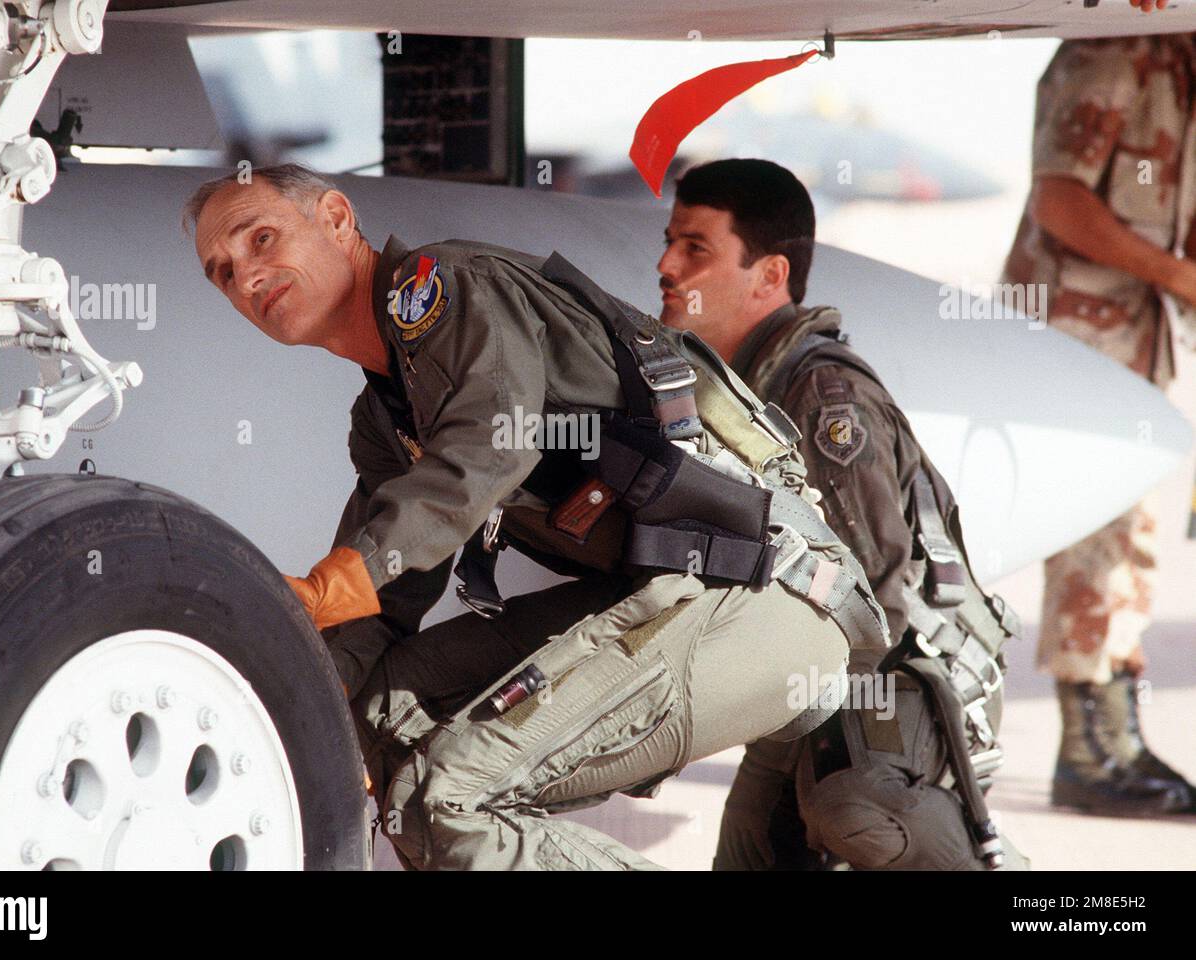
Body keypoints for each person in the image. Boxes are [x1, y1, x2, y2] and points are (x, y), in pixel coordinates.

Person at [184, 162, 889, 870]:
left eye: (262, 239)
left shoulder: (446, 293)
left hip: (765, 592)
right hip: (667, 596)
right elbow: (382, 595)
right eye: (221, 272)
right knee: (376, 714)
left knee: (450, 795)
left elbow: (490, 444)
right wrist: (305, 685)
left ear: (337, 218)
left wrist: (331, 585)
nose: (245, 276)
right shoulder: (384, 416)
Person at [659, 158, 1024, 870]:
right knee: (750, 851)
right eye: (669, 240)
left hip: (908, 677)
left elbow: (876, 605)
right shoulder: (735, 391)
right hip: (813, 663)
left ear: (769, 277)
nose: (666, 265)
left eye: (694, 247)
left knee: (851, 807)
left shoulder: (823, 400)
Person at [1002, 34, 1196, 816]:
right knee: (1097, 538)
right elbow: (1061, 199)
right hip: (1073, 337)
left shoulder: (1182, 63)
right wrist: (1178, 275)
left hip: (1135, 338)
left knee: (1133, 535)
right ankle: (1089, 756)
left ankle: (1116, 739)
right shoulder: (1118, 44)